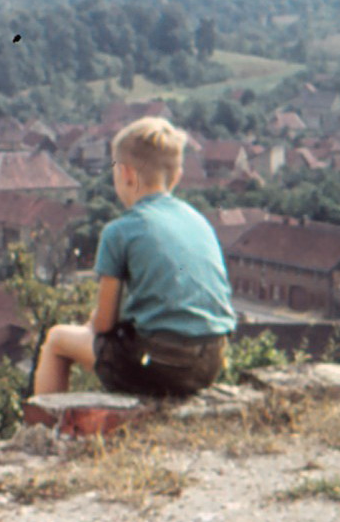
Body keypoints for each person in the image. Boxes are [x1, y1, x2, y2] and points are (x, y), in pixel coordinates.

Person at [33, 116, 235, 398]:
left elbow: (103, 325)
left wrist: (92, 327)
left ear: (125, 173)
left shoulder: (120, 231)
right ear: (175, 176)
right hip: (211, 361)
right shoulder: (199, 221)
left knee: (56, 339)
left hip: (161, 363)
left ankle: (42, 432)